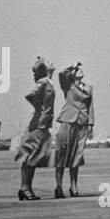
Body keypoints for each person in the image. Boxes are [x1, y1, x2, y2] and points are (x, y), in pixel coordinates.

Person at [14, 58, 55, 200]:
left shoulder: (48, 82)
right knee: (31, 157)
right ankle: (25, 188)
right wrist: (40, 107)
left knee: (33, 157)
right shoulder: (44, 81)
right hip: (38, 124)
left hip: (41, 124)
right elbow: (30, 94)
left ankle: (26, 188)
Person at [53, 63, 94, 198]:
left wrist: (91, 124)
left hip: (82, 123)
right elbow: (61, 74)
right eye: (77, 70)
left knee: (77, 156)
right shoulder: (68, 85)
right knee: (62, 154)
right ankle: (58, 187)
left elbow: (91, 106)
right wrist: (72, 66)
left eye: (81, 69)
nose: (80, 70)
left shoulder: (88, 88)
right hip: (67, 121)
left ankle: (73, 186)